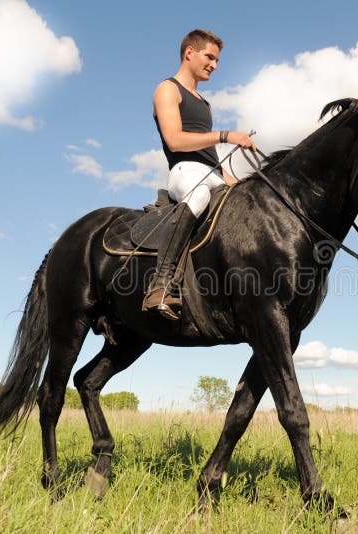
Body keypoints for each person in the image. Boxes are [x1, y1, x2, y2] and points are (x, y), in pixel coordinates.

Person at [142, 29, 256, 320]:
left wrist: (237, 182)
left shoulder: (205, 103)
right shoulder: (167, 89)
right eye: (209, 57)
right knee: (199, 196)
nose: (214, 65)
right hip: (185, 172)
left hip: (211, 172)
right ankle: (161, 284)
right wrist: (226, 135)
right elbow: (176, 141)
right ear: (189, 52)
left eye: (217, 60)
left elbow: (210, 156)